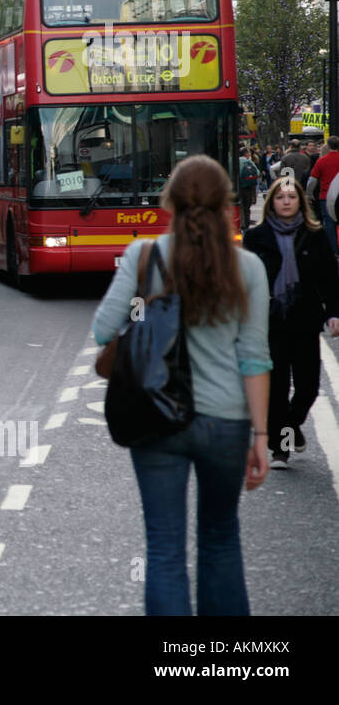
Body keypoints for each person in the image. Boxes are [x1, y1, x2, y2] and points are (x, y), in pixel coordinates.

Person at [92, 154, 271, 616]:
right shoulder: (247, 267)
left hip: (156, 414)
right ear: (226, 204)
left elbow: (101, 330)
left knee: (165, 550)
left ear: (168, 202)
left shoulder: (143, 256)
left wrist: (145, 309)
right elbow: (254, 360)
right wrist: (262, 437)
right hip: (227, 423)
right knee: (221, 539)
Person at [242, 176, 339, 468]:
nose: (286, 202)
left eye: (292, 197)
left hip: (305, 319)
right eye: (280, 197)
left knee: (308, 387)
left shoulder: (315, 235)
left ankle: (291, 428)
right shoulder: (256, 237)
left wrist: (334, 312)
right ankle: (281, 449)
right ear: (271, 201)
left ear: (300, 202)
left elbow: (330, 280)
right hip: (268, 322)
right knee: (278, 388)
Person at [306, 136, 339, 256]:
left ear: (328, 146)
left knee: (329, 224)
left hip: (326, 197)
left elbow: (312, 180)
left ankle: (333, 251)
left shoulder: (322, 161)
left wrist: (308, 195)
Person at [237, 146, 259, 227]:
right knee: (247, 207)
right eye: (248, 153)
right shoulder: (249, 162)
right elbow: (257, 173)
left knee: (239, 206)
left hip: (238, 187)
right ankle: (246, 224)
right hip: (248, 188)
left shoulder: (235, 161)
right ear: (246, 154)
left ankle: (240, 223)